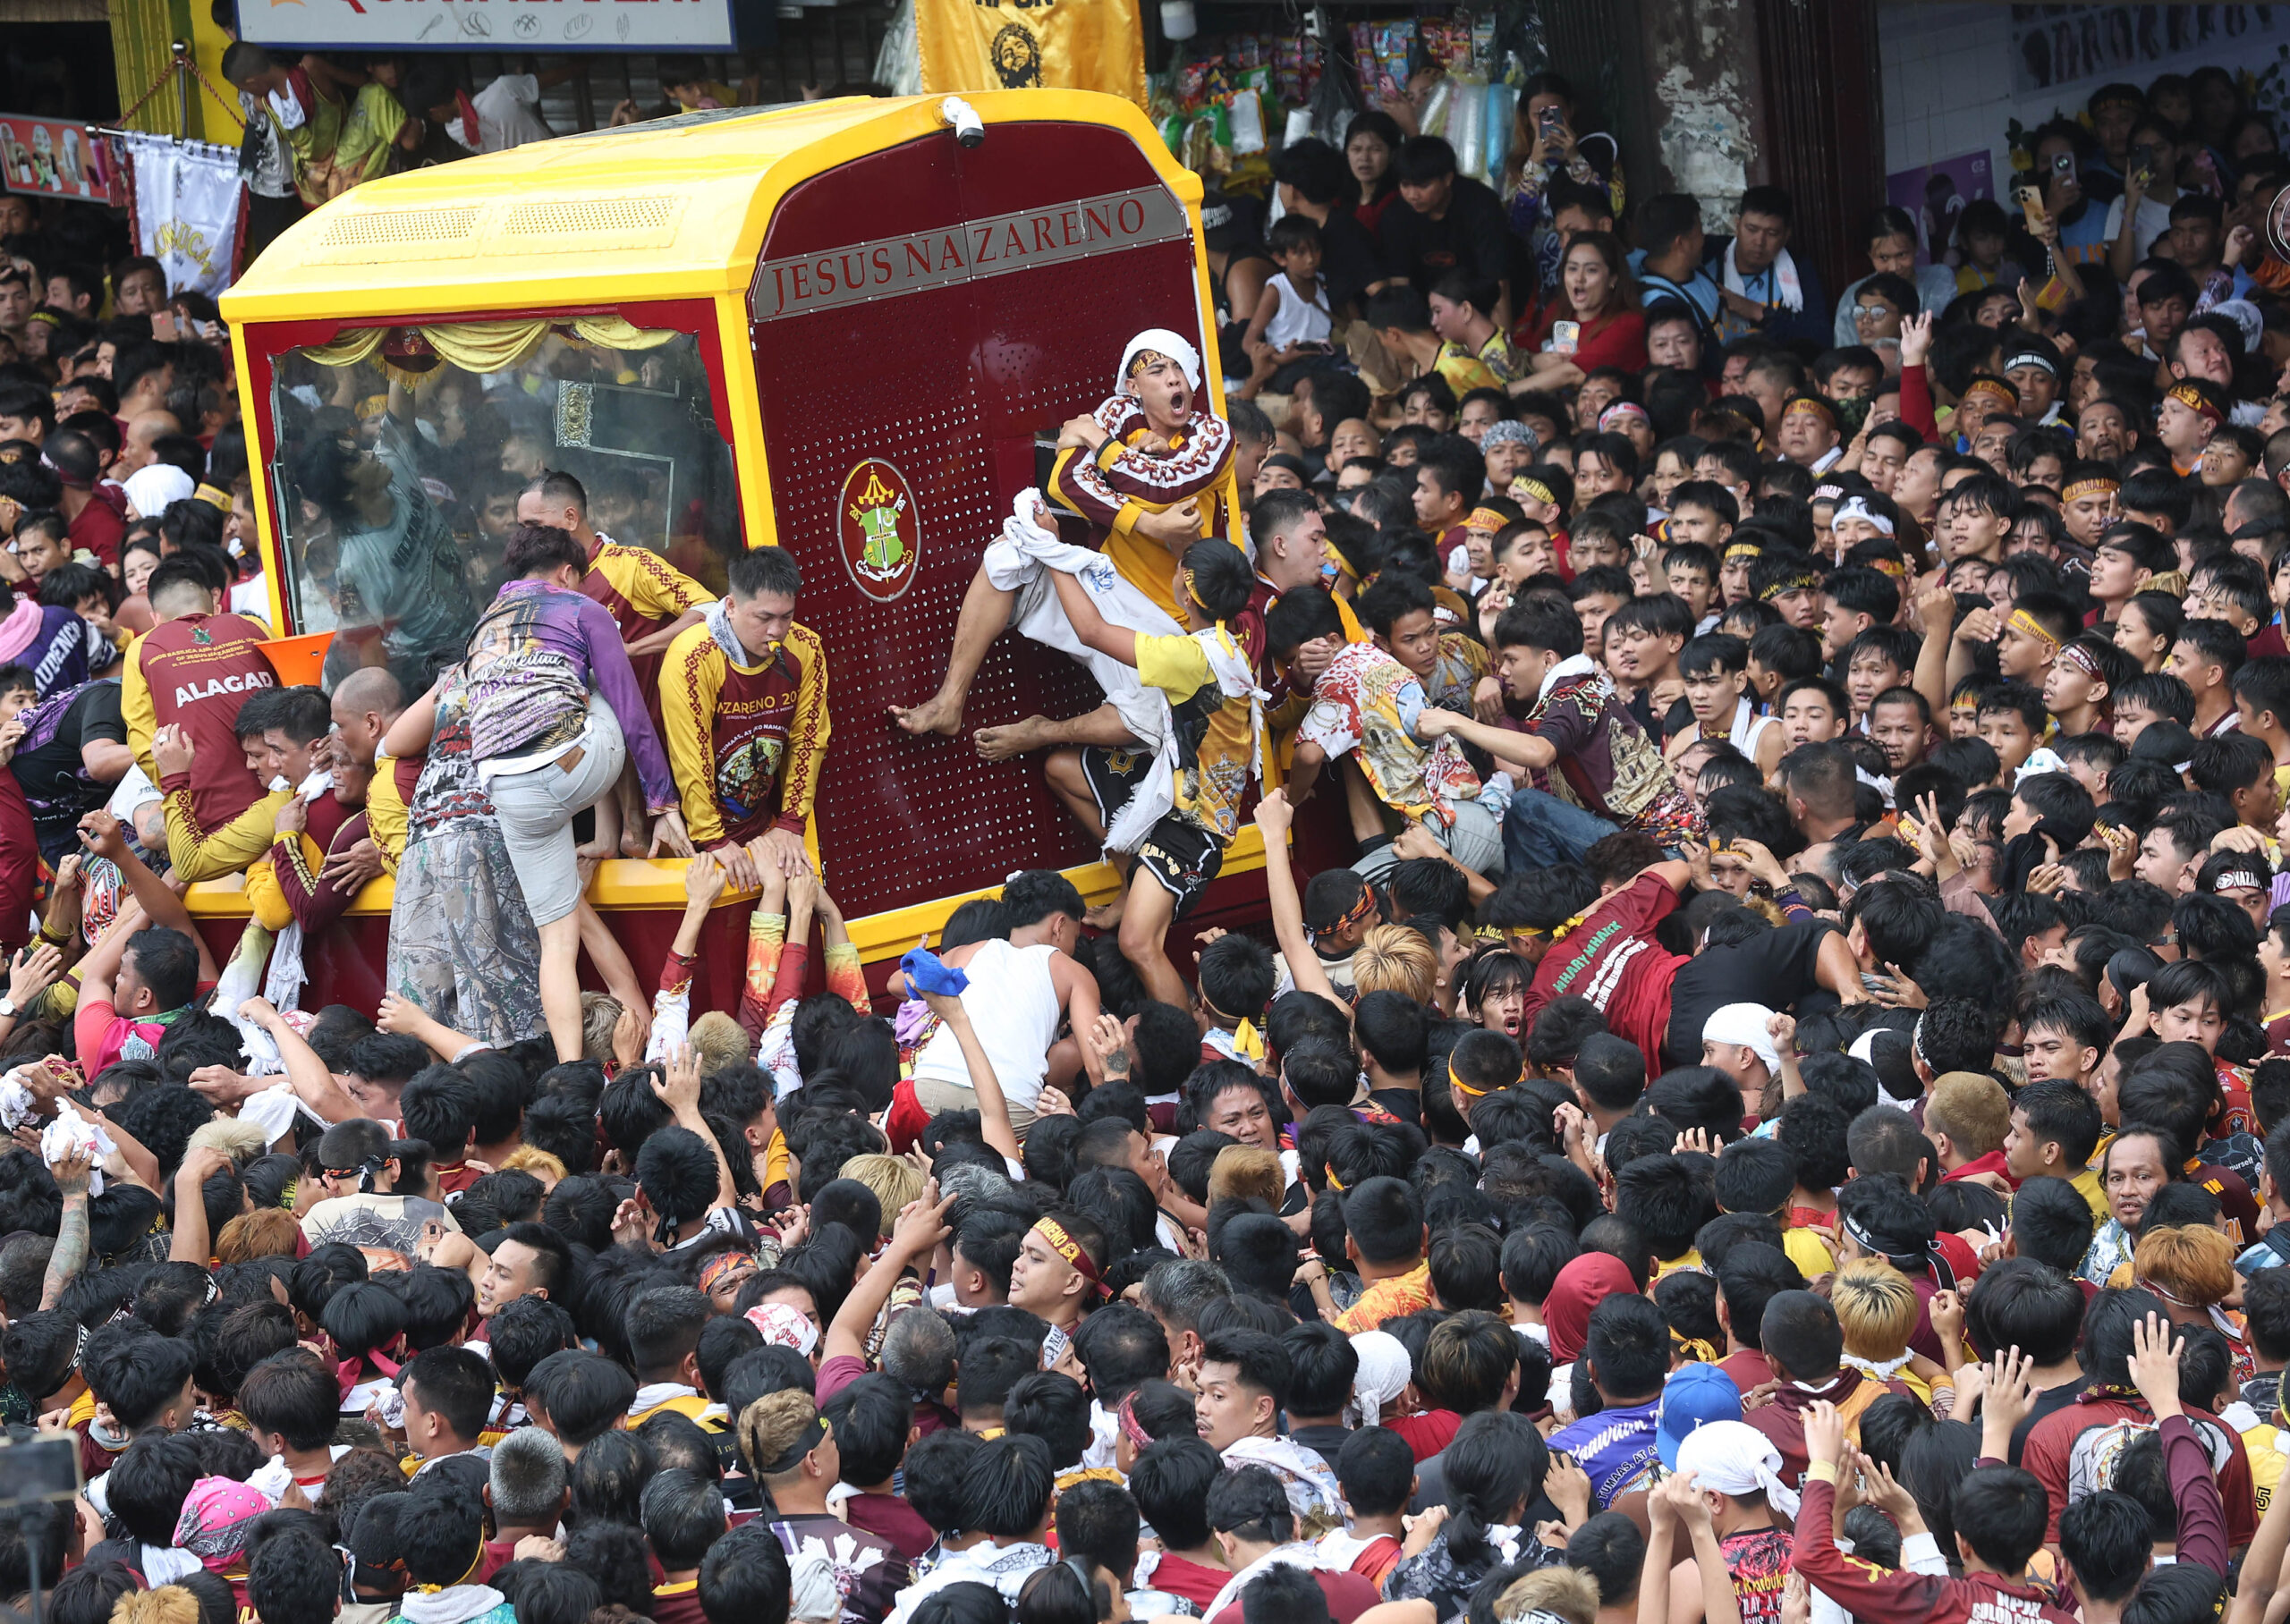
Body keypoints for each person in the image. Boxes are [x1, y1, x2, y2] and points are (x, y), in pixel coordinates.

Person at [388, 522, 683, 1062]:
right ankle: (632, 828)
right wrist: (664, 802)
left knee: (557, 945)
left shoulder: (480, 628)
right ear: (569, 573)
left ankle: (571, 1068)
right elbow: (633, 714)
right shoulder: (581, 609)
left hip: (505, 793)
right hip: (572, 771)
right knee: (600, 688)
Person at [893, 332, 1234, 736]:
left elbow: (1164, 486)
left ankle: (1042, 733)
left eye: (1180, 368)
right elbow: (1066, 482)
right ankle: (949, 701)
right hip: (1110, 588)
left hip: (1175, 620)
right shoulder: (1117, 416)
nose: (1175, 379)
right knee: (1012, 548)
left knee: (1166, 712)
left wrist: (1099, 443)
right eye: (1158, 370)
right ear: (1133, 386)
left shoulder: (1214, 435)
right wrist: (1147, 521)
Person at [657, 545, 828, 888]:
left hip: (763, 827)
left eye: (786, 616)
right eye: (764, 618)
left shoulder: (805, 648)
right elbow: (691, 754)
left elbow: (810, 739)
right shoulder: (691, 656)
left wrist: (792, 823)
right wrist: (714, 839)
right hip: (698, 839)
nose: (777, 630)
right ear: (731, 606)